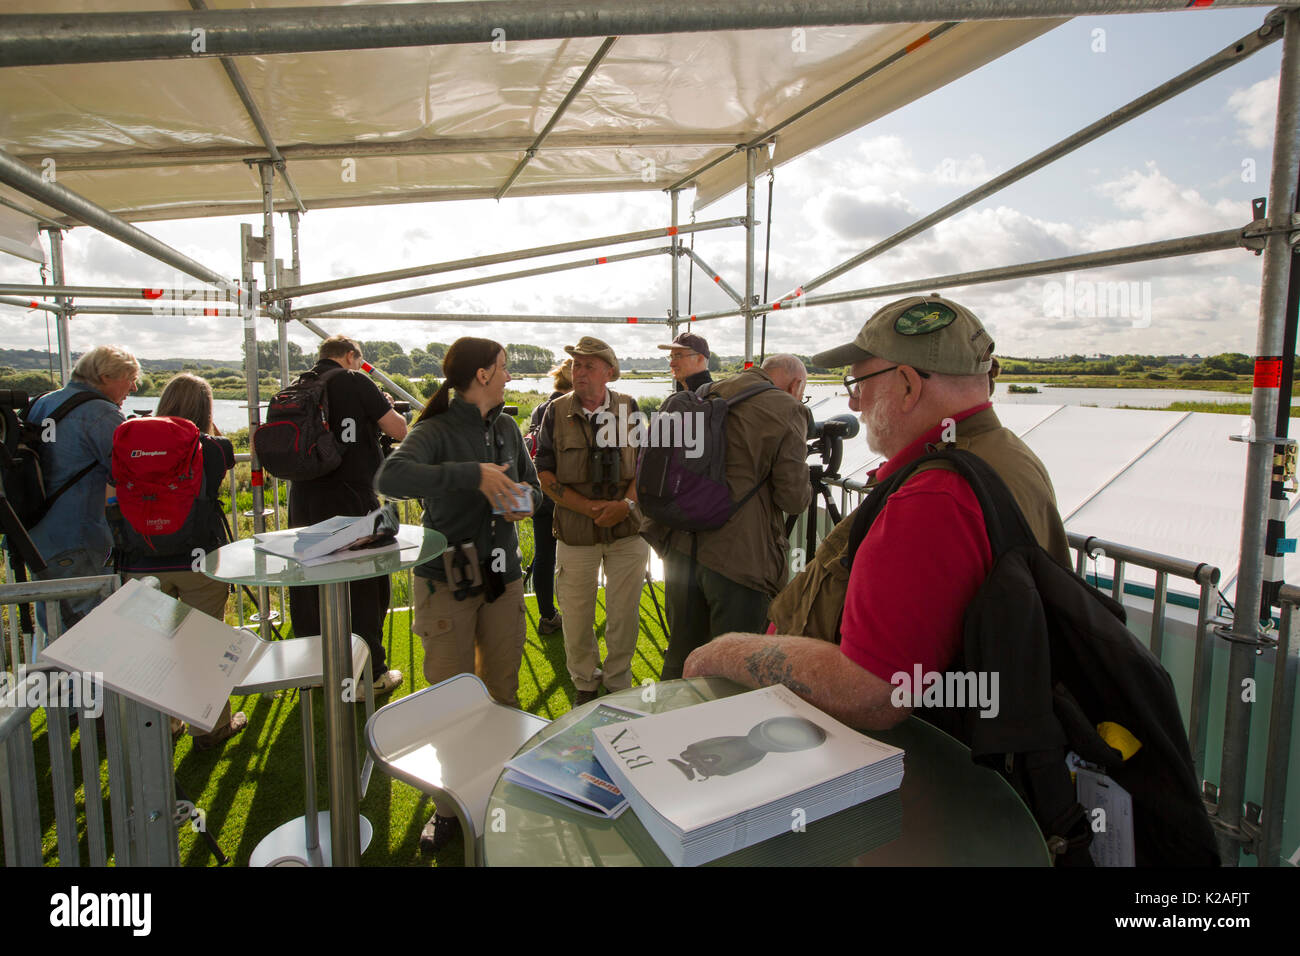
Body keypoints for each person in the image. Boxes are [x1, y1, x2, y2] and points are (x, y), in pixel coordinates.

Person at [684, 295, 1069, 730]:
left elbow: (871, 691)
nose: (854, 404)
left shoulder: (932, 495)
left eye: (859, 384)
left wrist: (724, 653)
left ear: (907, 384)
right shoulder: (1007, 454)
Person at [374, 337, 538, 855]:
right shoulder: (436, 429)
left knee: (503, 695)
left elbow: (531, 485)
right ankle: (448, 812)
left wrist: (521, 505)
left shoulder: (509, 426)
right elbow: (390, 476)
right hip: (445, 583)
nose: (510, 376)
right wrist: (474, 475)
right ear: (483, 374)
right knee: (450, 702)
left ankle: (498, 798)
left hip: (503, 579)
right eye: (505, 368)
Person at [649, 354, 811, 681]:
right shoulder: (788, 409)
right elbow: (793, 498)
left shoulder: (707, 392)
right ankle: (723, 730)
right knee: (733, 665)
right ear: (796, 385)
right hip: (740, 559)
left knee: (681, 654)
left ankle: (666, 725)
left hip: (682, 545)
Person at [115, 373, 247, 750]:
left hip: (140, 559)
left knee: (152, 649)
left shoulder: (129, 442)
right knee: (203, 646)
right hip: (198, 560)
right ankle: (210, 727)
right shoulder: (214, 446)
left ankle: (163, 724)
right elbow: (220, 468)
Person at [287, 335, 408, 697]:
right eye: (359, 359)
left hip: (304, 501)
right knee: (366, 586)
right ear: (351, 356)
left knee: (311, 584)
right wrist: (383, 406)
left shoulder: (299, 385)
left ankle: (314, 671)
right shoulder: (355, 381)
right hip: (352, 499)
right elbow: (399, 429)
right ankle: (368, 673)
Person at [533, 336, 648, 706]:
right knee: (577, 613)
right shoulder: (555, 411)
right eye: (575, 365)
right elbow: (544, 472)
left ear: (608, 373)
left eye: (588, 365)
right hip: (575, 531)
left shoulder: (630, 408)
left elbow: (647, 466)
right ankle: (585, 681)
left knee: (624, 612)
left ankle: (617, 682)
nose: (578, 371)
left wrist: (626, 505)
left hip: (628, 531)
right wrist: (587, 508)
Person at [27, 345, 139, 629]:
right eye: (129, 377)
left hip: (36, 535)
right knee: (87, 631)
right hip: (78, 537)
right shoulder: (100, 413)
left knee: (55, 621)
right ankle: (86, 676)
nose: (133, 387)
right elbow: (128, 473)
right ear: (106, 376)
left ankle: (58, 674)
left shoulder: (43, 402)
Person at [525, 358, 572, 636]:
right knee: (575, 555)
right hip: (564, 494)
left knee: (544, 555)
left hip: (539, 492)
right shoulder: (566, 409)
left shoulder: (539, 408)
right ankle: (575, 612)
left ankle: (547, 615)